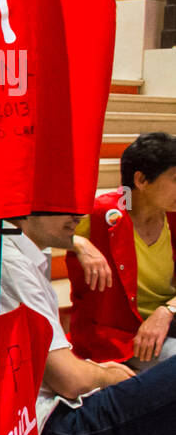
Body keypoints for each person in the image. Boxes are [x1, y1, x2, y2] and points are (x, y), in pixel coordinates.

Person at [1, 213, 176, 435]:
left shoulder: (20, 249)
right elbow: (70, 380)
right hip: (54, 434)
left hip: (60, 420)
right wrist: (108, 377)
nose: (77, 214)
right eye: (63, 202)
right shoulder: (9, 261)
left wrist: (78, 242)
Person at [68, 132, 176, 371]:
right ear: (142, 180)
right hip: (121, 336)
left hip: (168, 322)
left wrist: (167, 310)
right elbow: (32, 232)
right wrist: (78, 243)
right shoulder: (102, 214)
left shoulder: (173, 214)